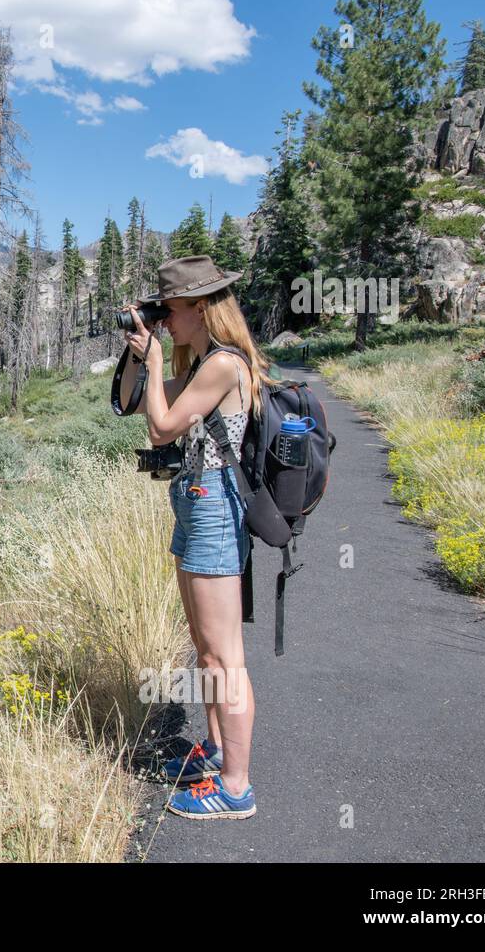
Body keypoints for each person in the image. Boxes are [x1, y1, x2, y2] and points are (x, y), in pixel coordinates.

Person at [118, 255, 275, 820]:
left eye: (172, 311)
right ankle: (213, 752)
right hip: (193, 501)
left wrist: (158, 356)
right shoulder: (206, 361)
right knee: (205, 650)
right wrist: (141, 355)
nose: (167, 320)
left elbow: (162, 426)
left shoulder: (225, 365)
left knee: (223, 658)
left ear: (202, 307)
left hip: (213, 509)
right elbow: (138, 403)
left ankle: (236, 787)